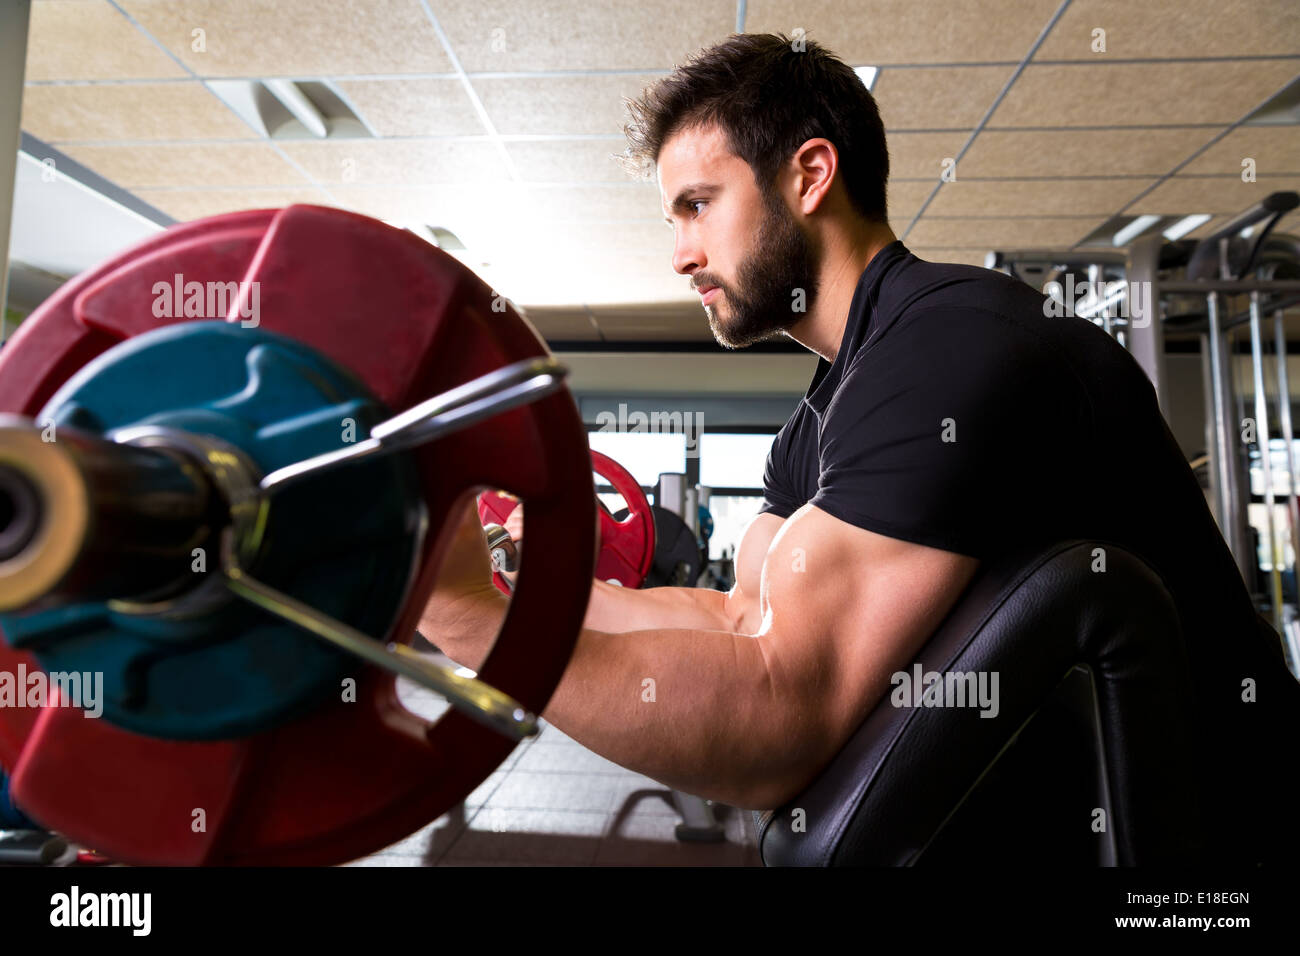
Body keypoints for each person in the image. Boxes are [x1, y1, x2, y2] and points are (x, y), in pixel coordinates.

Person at [421, 33, 1299, 862]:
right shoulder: (818, 421)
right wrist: (520, 589)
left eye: (698, 205)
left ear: (810, 176)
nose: (681, 256)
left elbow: (783, 714)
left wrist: (470, 620)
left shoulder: (950, 349)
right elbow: (737, 619)